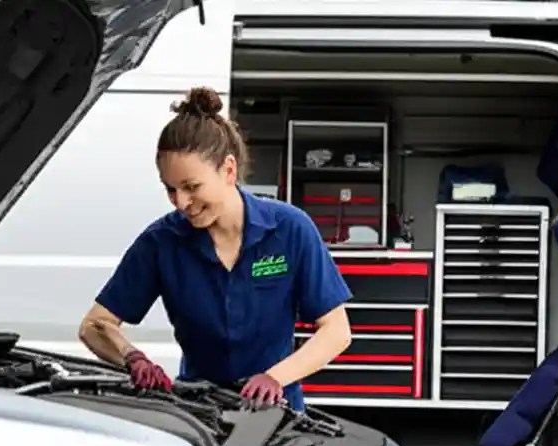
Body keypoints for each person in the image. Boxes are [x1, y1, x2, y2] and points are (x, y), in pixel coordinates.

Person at [77, 86, 353, 411]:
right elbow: (94, 325)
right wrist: (132, 357)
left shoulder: (290, 230)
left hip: (275, 415)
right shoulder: (161, 243)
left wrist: (274, 378)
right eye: (170, 190)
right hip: (198, 416)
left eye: (192, 187)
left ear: (229, 170)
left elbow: (336, 331)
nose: (181, 203)